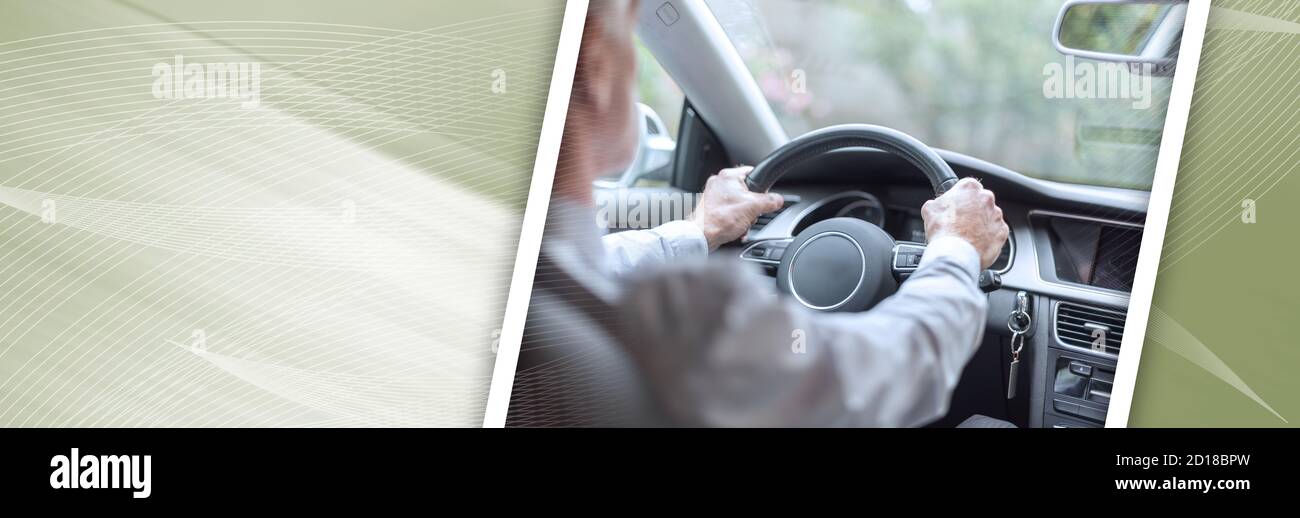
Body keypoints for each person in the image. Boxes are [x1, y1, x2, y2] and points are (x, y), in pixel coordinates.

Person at [506, 0, 1009, 427]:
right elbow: (891, 367)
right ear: (597, 68)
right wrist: (957, 247)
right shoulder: (677, 321)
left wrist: (699, 229)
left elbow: (590, 268)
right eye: (629, 40)